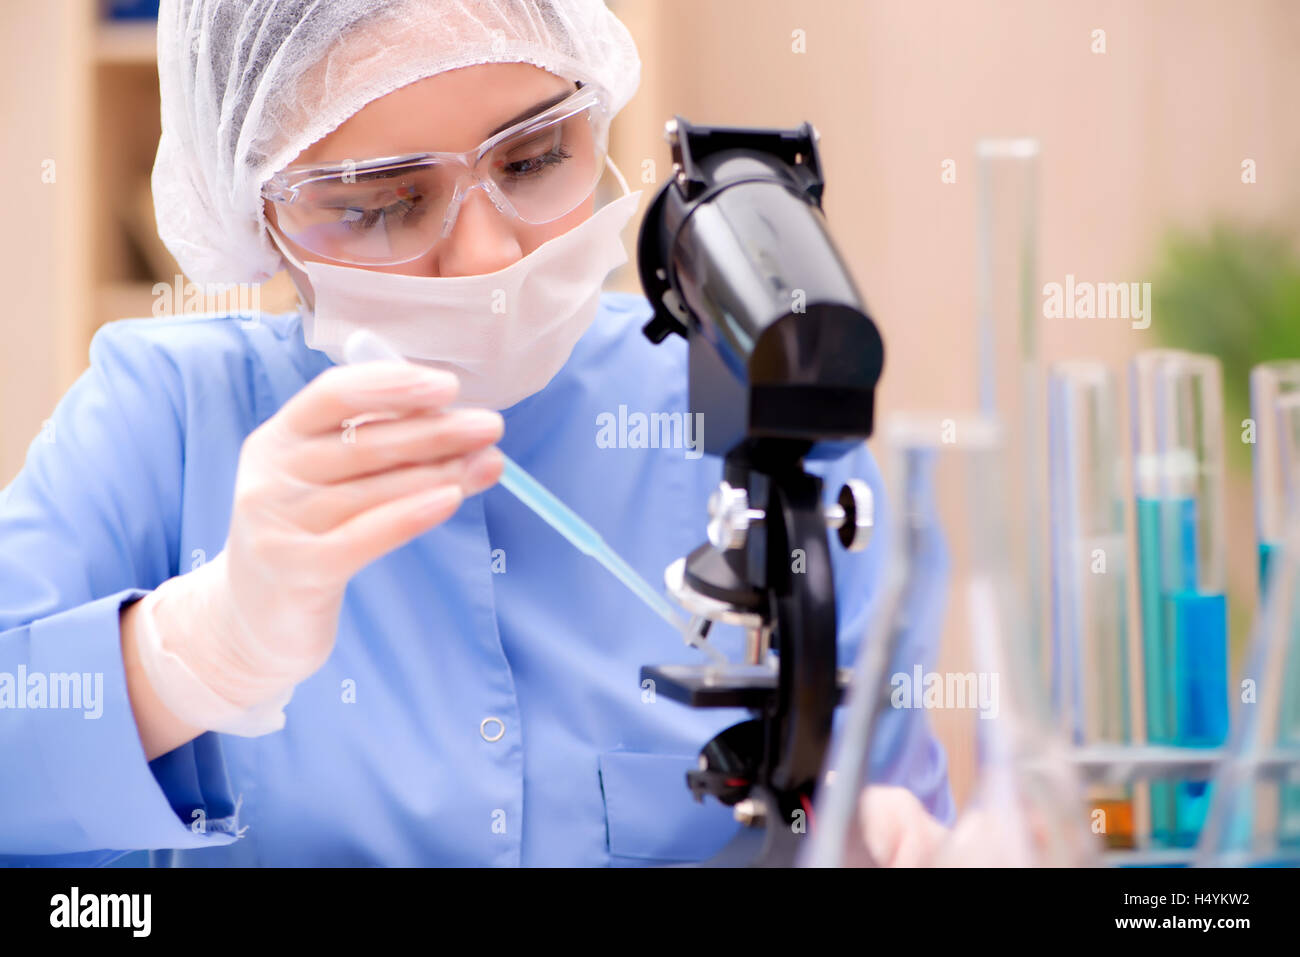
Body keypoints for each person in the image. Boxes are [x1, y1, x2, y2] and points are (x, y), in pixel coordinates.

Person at [0, 0, 953, 866]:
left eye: (534, 160)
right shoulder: (164, 417)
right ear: (260, 216)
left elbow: (892, 787)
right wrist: (190, 654)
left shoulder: (753, 415)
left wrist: (870, 835)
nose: (489, 255)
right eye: (380, 203)